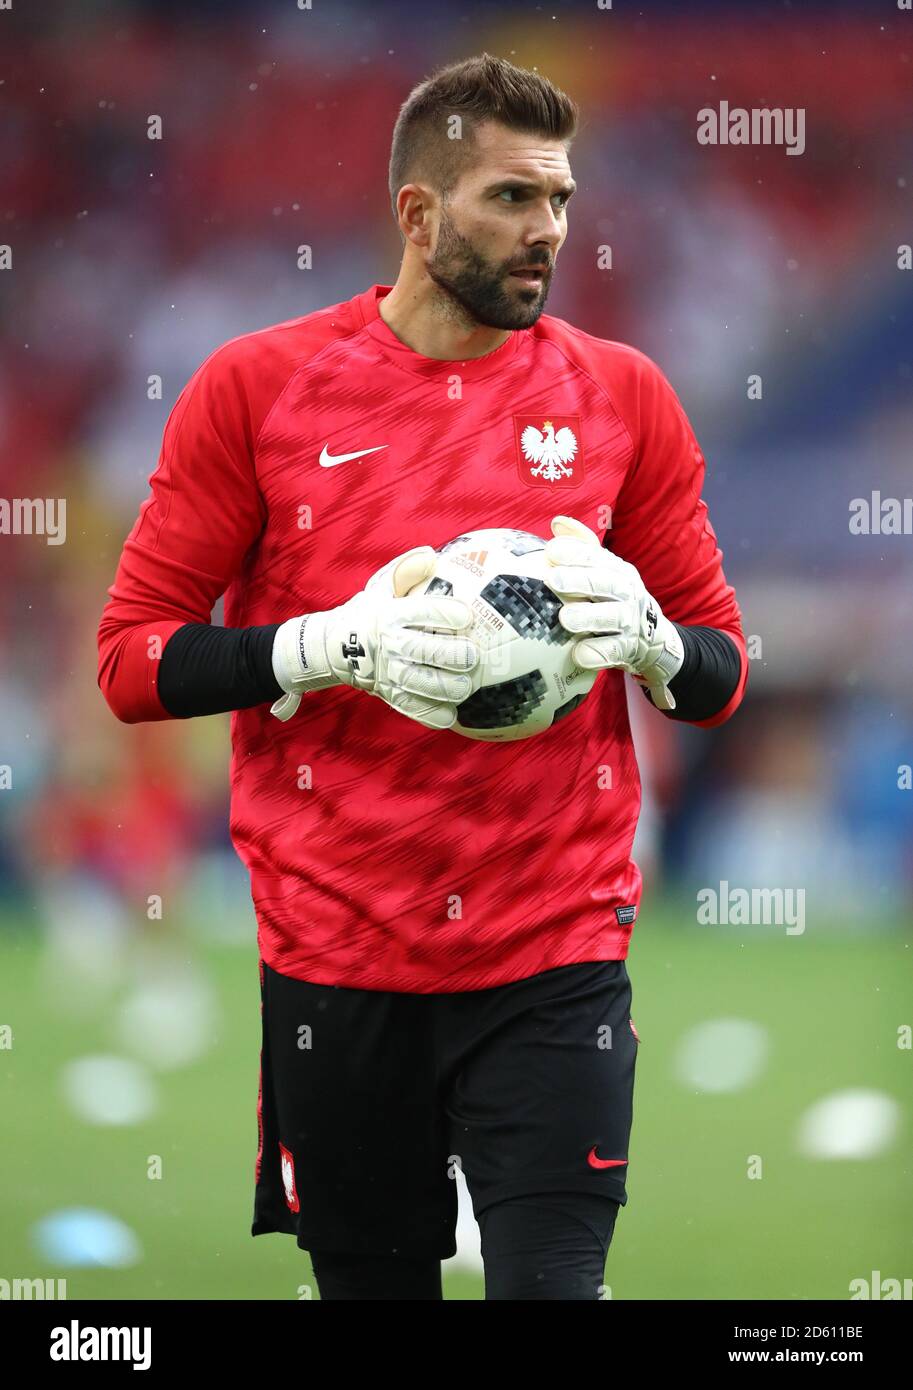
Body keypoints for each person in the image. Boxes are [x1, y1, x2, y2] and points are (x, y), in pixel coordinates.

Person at [97, 53, 748, 1300]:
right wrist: (321, 646)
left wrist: (656, 642)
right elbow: (131, 659)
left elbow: (718, 675)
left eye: (558, 199)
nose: (545, 229)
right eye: (510, 198)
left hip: (554, 953)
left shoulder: (624, 396)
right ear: (418, 213)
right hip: (335, 959)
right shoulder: (256, 389)